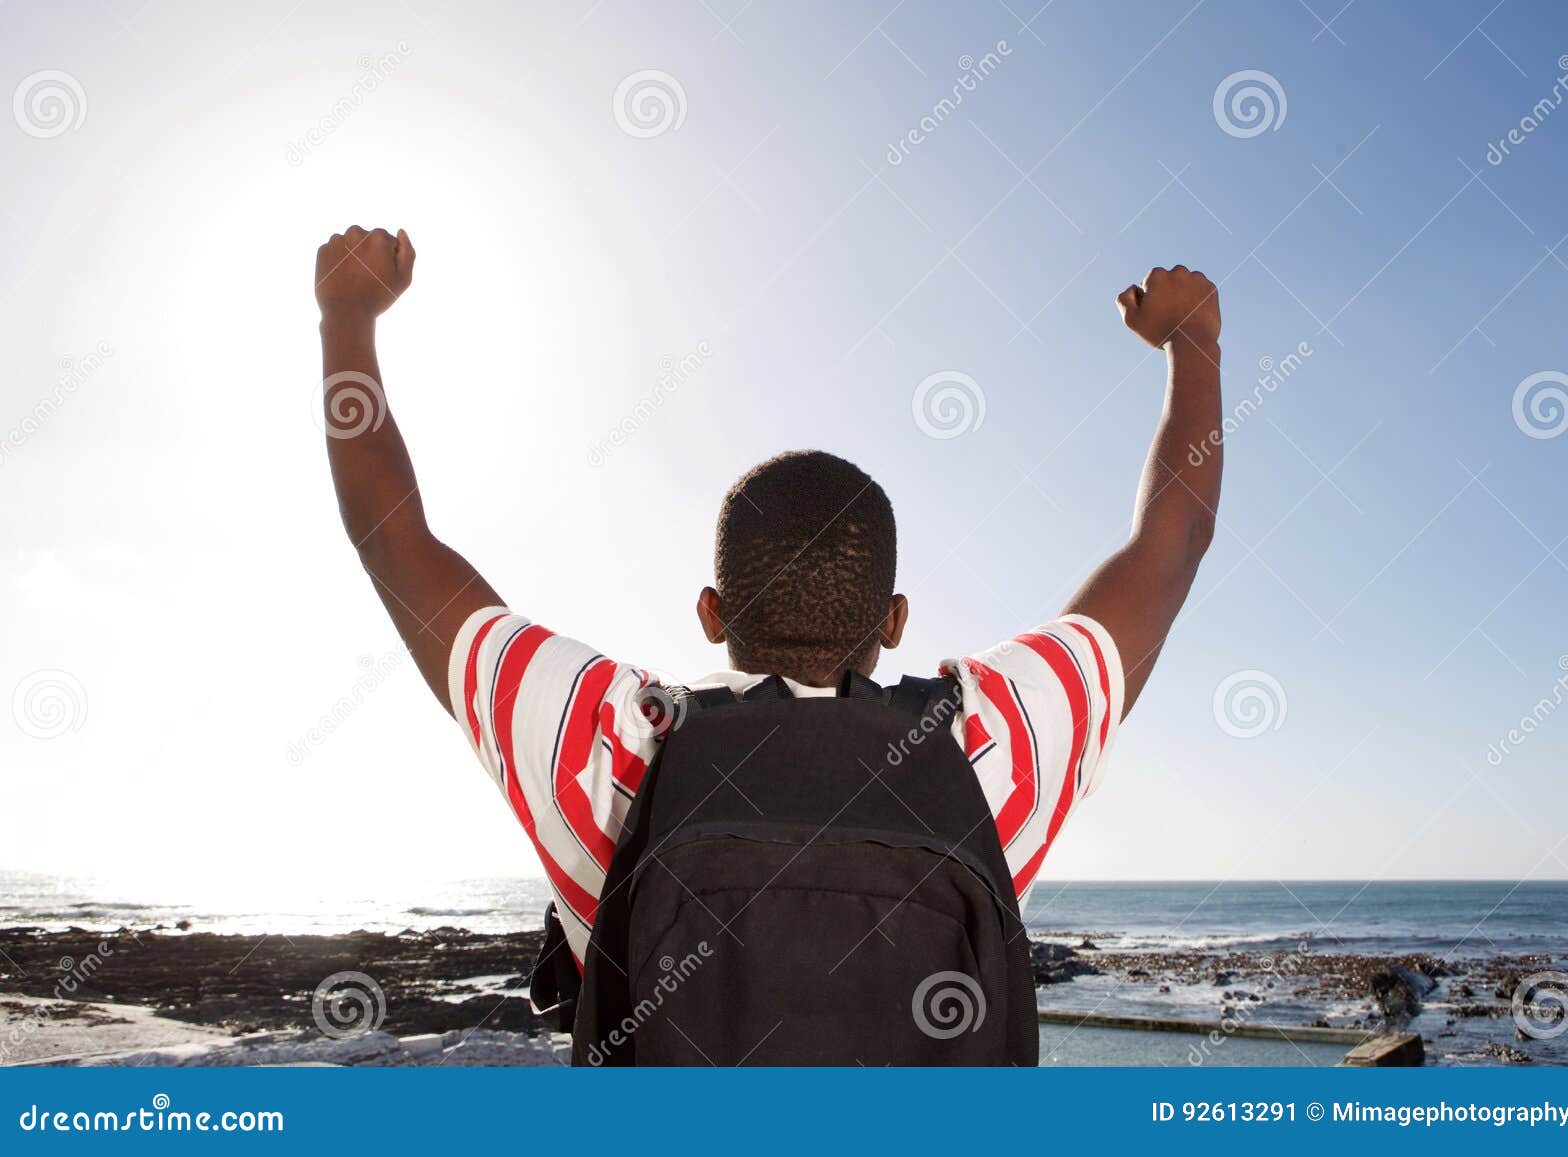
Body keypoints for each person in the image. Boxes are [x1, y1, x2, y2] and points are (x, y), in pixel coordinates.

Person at [313, 224, 1222, 987]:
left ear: (711, 612)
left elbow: (393, 538)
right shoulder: (986, 748)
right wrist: (1196, 340)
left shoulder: (609, 749)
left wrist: (347, 316)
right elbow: (1170, 547)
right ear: (894, 620)